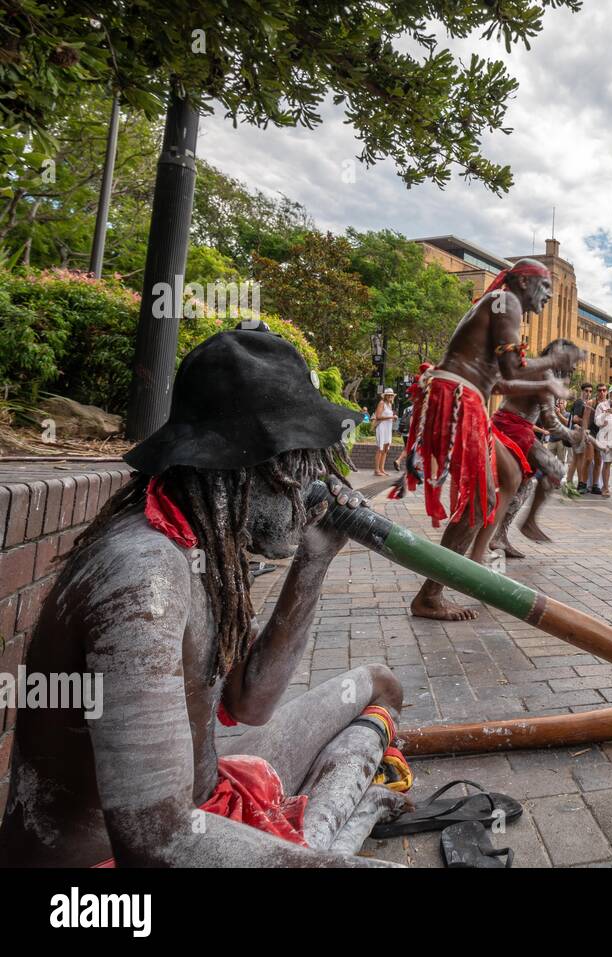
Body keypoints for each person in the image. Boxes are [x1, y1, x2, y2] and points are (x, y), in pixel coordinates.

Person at [0, 329, 411, 867]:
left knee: (381, 683)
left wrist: (315, 558)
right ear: (244, 469)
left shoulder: (203, 542)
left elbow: (251, 704)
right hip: (107, 875)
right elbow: (155, 842)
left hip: (200, 801)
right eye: (302, 463)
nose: (317, 483)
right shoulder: (143, 579)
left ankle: (327, 825)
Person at [400, 258, 575, 620]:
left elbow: (499, 382)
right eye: (545, 289)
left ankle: (471, 567)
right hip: (459, 400)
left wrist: (543, 380)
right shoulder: (506, 302)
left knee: (508, 478)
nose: (547, 299)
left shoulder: (500, 304)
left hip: (465, 399)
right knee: (482, 499)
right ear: (526, 282)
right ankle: (431, 594)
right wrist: (552, 363)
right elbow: (512, 371)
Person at [489, 339, 586, 557]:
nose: (573, 367)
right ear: (560, 356)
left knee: (524, 485)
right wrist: (573, 435)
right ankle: (527, 522)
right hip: (516, 430)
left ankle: (499, 536)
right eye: (572, 361)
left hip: (506, 425)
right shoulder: (545, 375)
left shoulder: (532, 366)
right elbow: (550, 421)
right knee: (556, 470)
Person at [566, 383, 593, 489]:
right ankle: (578, 482)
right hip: (577, 433)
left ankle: (571, 481)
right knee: (579, 458)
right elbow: (575, 419)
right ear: (582, 391)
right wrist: (587, 421)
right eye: (586, 391)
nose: (588, 393)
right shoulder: (580, 402)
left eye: (590, 391)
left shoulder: (585, 402)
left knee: (576, 458)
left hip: (577, 433)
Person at [372, 386, 397, 476]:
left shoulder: (390, 405)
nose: (390, 397)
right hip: (381, 427)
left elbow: (388, 417)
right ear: (385, 396)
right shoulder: (381, 403)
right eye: (388, 395)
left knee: (386, 449)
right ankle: (376, 470)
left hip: (388, 428)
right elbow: (378, 416)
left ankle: (382, 469)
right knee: (380, 448)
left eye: (391, 395)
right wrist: (391, 417)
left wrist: (393, 419)